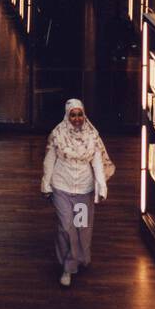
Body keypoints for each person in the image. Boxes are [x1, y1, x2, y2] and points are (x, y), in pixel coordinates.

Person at [41, 98, 115, 287]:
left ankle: (72, 262)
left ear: (84, 115)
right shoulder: (57, 134)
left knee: (80, 227)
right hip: (61, 187)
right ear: (67, 116)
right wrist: (46, 185)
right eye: (72, 115)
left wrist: (102, 187)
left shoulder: (92, 136)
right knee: (66, 227)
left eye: (79, 114)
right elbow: (49, 161)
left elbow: (97, 163)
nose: (76, 118)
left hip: (83, 190)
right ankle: (68, 268)